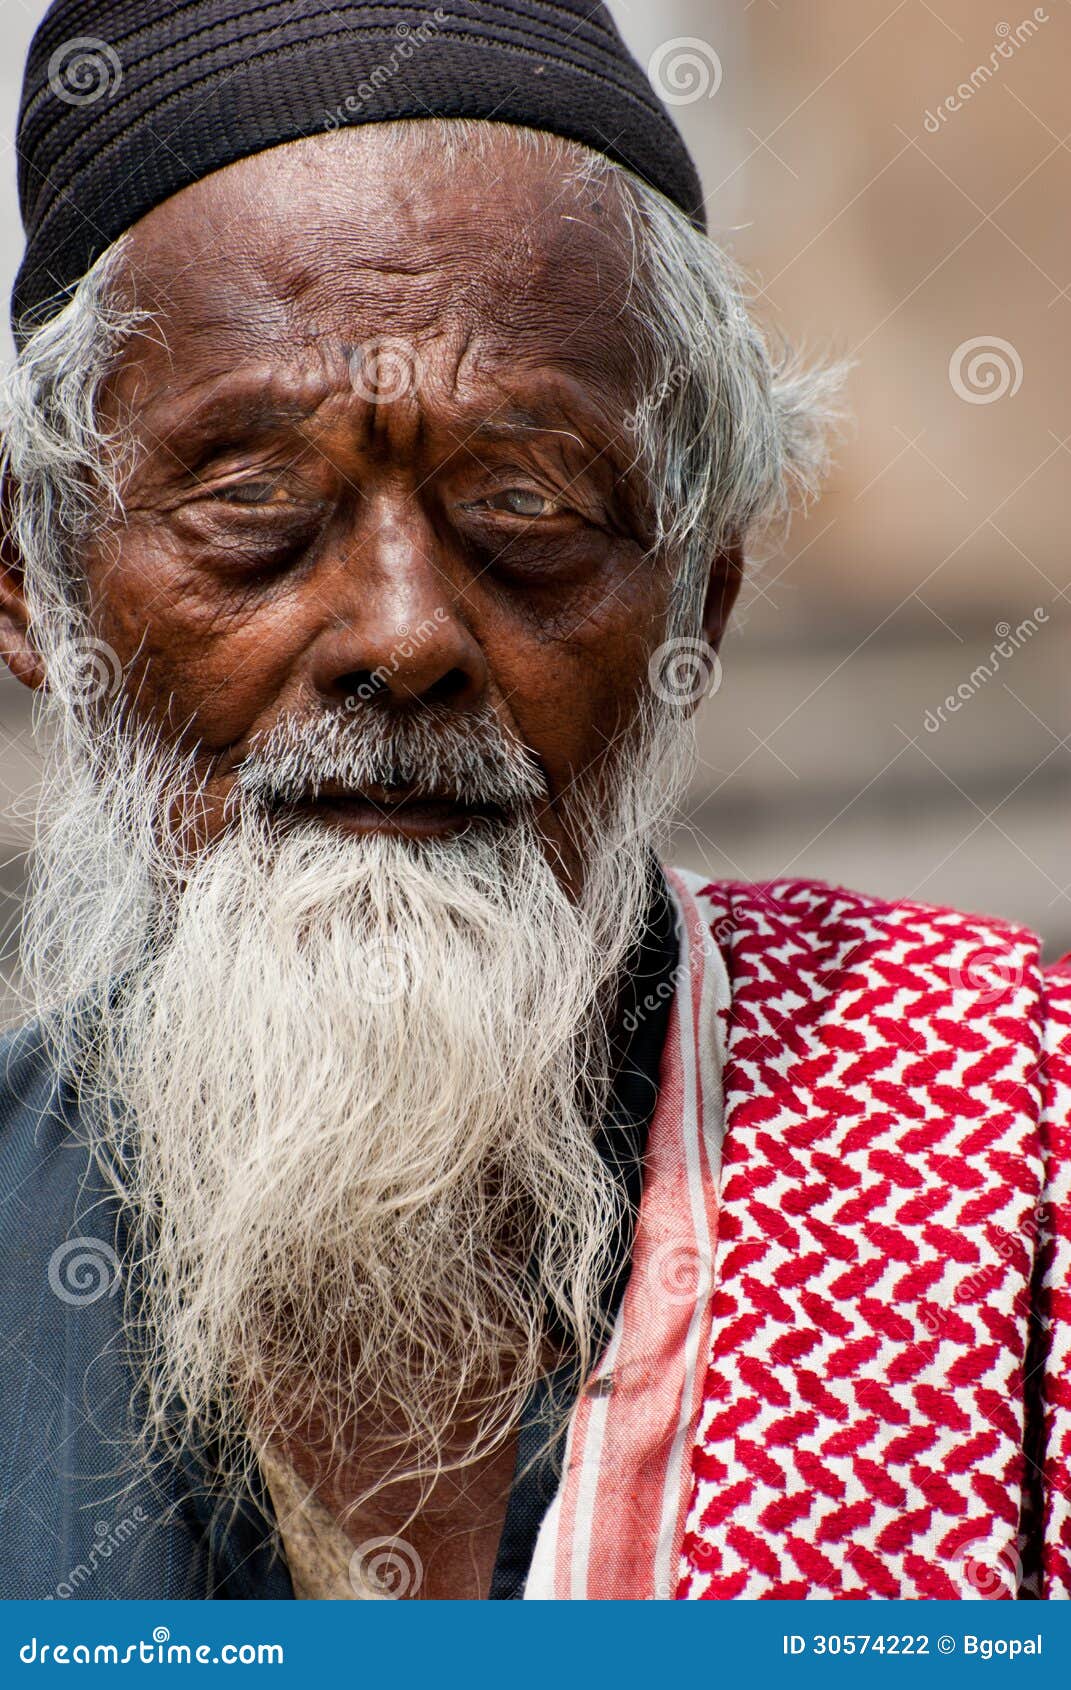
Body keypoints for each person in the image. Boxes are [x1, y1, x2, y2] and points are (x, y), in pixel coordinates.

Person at [0, 0, 1067, 1602]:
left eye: (529, 500)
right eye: (255, 498)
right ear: (34, 583)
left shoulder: (1007, 1157)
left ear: (699, 599)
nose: (403, 636)